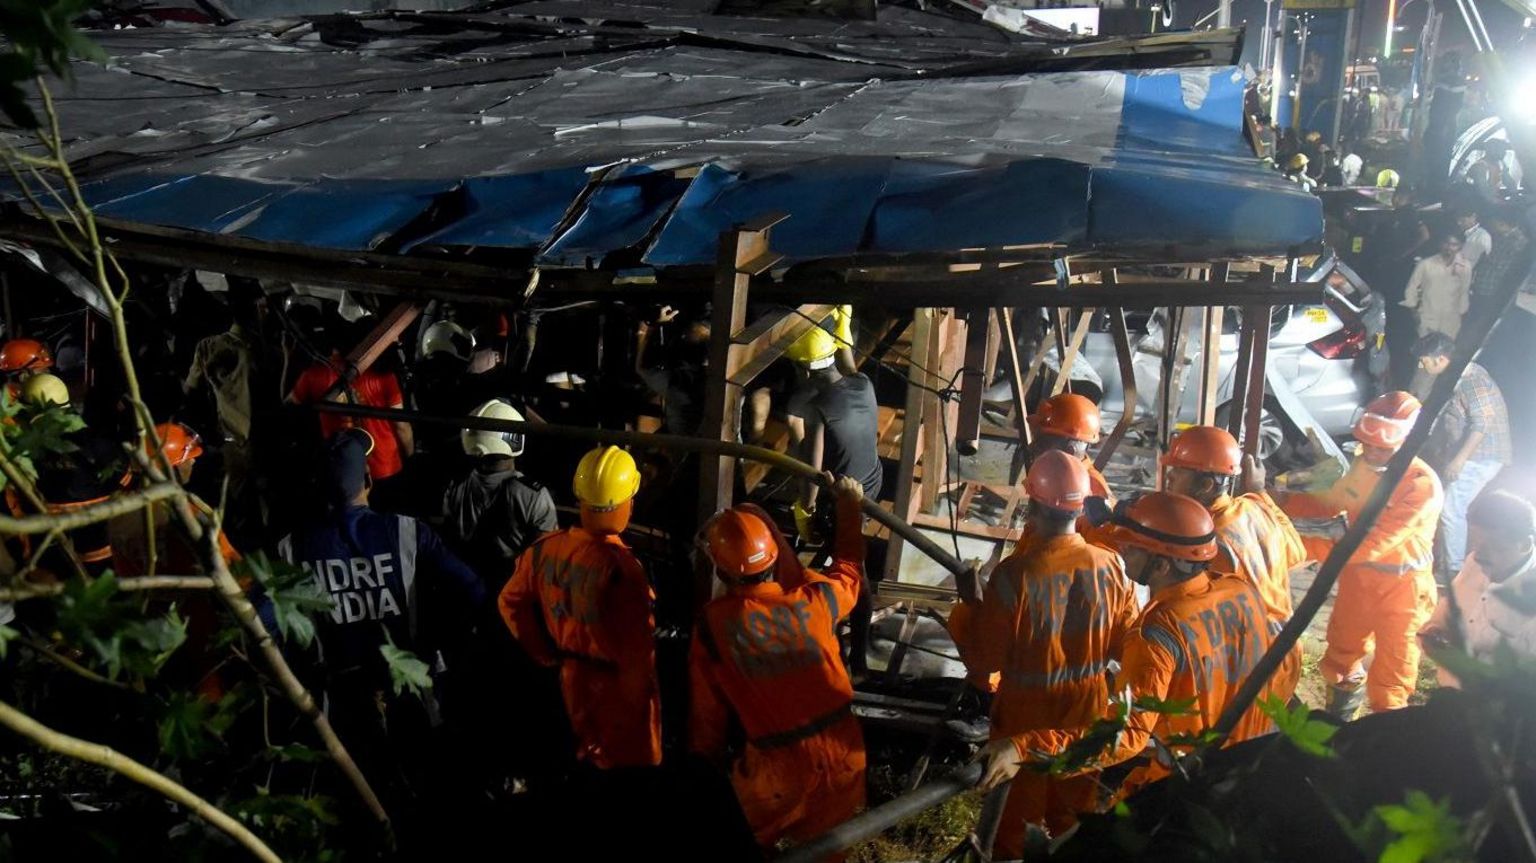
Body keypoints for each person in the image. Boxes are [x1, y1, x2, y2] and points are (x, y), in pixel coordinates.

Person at [978, 492, 1281, 799]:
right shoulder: (1240, 591)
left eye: (1133, 547)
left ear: (1162, 567)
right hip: (1252, 765)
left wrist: (1023, 749)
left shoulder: (1160, 634)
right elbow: (1285, 667)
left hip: (1188, 790)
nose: (1122, 549)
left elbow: (1127, 734)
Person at [275, 428, 487, 804]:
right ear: (369, 479)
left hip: (339, 701)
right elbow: (472, 590)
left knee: (358, 795)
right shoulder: (406, 531)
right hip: (409, 688)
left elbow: (264, 624)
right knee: (426, 788)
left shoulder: (292, 547)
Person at [950, 451, 1137, 851]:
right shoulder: (1112, 566)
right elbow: (1126, 642)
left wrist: (969, 605)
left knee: (1014, 828)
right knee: (1073, 823)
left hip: (1026, 718)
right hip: (1087, 711)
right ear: (1082, 505)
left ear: (1032, 502)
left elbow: (985, 660)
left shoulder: (1014, 575)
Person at [689, 476, 867, 857]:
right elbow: (850, 570)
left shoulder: (715, 626)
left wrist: (704, 768)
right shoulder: (816, 599)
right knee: (828, 852)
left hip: (778, 770)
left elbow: (707, 717)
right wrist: (850, 506)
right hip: (845, 754)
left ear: (720, 570)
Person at [1280, 392, 1444, 718]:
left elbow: (1372, 543)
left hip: (1403, 591)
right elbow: (1333, 500)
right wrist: (1277, 501)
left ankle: (1382, 741)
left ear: (1409, 442)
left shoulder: (1420, 484)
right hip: (1358, 581)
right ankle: (1338, 726)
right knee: (1340, 657)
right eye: (1366, 444)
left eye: (1381, 446)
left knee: (1392, 678)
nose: (1371, 451)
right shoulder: (1366, 465)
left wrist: (1296, 547)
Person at [499, 445, 662, 769]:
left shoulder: (545, 549)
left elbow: (510, 601)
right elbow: (636, 656)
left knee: (578, 763)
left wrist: (542, 653)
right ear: (626, 502)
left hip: (569, 679)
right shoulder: (622, 568)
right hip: (616, 690)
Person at [1160, 425, 1307, 701]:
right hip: (1285, 654)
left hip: (1252, 669)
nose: (1168, 478)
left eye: (1178, 472)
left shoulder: (1208, 544)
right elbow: (1297, 553)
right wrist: (1261, 492)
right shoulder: (1253, 507)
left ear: (1205, 485)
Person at [1413, 333, 1511, 577]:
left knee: (1451, 508)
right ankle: (1444, 562)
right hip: (1471, 454)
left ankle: (1455, 570)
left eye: (1424, 360)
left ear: (1440, 359)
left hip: (1483, 456)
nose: (1420, 366)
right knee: (1441, 504)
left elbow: (1482, 424)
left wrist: (1459, 460)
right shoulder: (1455, 376)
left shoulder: (1473, 381)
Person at [1422, 490, 1536, 684]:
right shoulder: (1475, 563)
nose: (1478, 554)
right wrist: (1435, 632)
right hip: (1451, 695)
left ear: (1524, 545)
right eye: (1475, 542)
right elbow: (1447, 614)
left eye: (1492, 545)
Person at [441, 398, 557, 587]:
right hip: (512, 589)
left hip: (467, 583)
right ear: (513, 438)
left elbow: (449, 542)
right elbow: (542, 560)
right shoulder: (533, 495)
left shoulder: (454, 488)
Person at [287, 329, 413, 483]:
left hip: (342, 468)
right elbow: (401, 426)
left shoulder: (313, 374)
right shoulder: (383, 374)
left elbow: (291, 408)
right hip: (385, 466)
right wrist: (410, 458)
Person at [1029, 393, 1114, 503]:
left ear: (1070, 450)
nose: (1032, 446)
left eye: (1042, 443)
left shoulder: (1092, 493)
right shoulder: (1058, 473)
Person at [1402, 233, 1472, 340]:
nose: (1449, 247)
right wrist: (1415, 313)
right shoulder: (1425, 264)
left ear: (1460, 246)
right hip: (1427, 319)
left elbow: (1464, 291)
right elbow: (1411, 290)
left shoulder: (1466, 266)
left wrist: (1462, 313)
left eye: (1454, 244)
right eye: (1446, 243)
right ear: (1440, 244)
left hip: (1450, 322)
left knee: (1443, 354)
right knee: (1425, 354)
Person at [1468, 207, 1532, 316]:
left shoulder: (1517, 241)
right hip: (1482, 284)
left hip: (1490, 288)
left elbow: (1500, 264)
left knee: (1477, 314)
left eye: (1495, 222)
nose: (1492, 224)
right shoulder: (1502, 236)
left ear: (1502, 223)